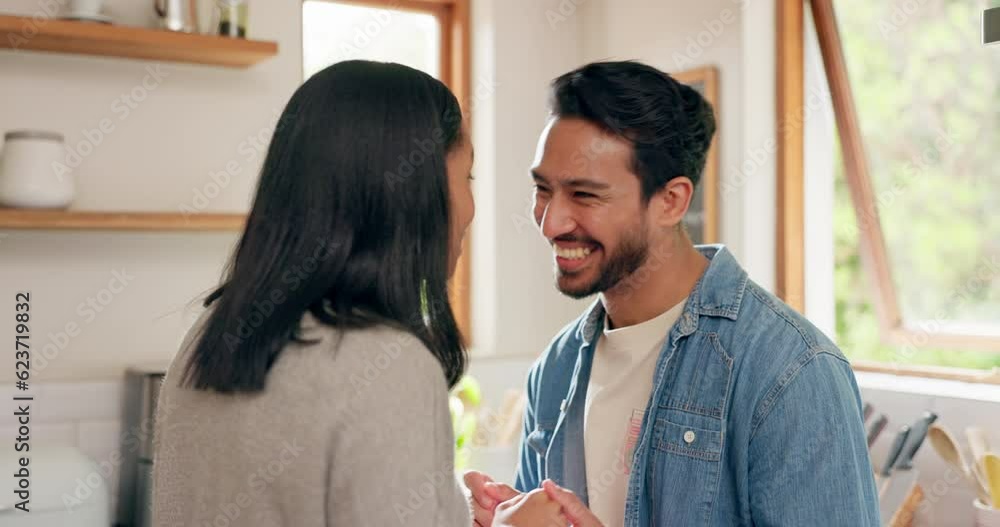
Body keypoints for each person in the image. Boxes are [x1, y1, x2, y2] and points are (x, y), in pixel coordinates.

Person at [152, 60, 582, 527]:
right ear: (420, 194)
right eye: (467, 178)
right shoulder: (387, 365)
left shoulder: (209, 335)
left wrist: (442, 505)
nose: (470, 208)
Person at [465, 60, 880, 526]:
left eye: (584, 195)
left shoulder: (790, 372)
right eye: (543, 189)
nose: (551, 221)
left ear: (671, 201)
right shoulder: (556, 369)